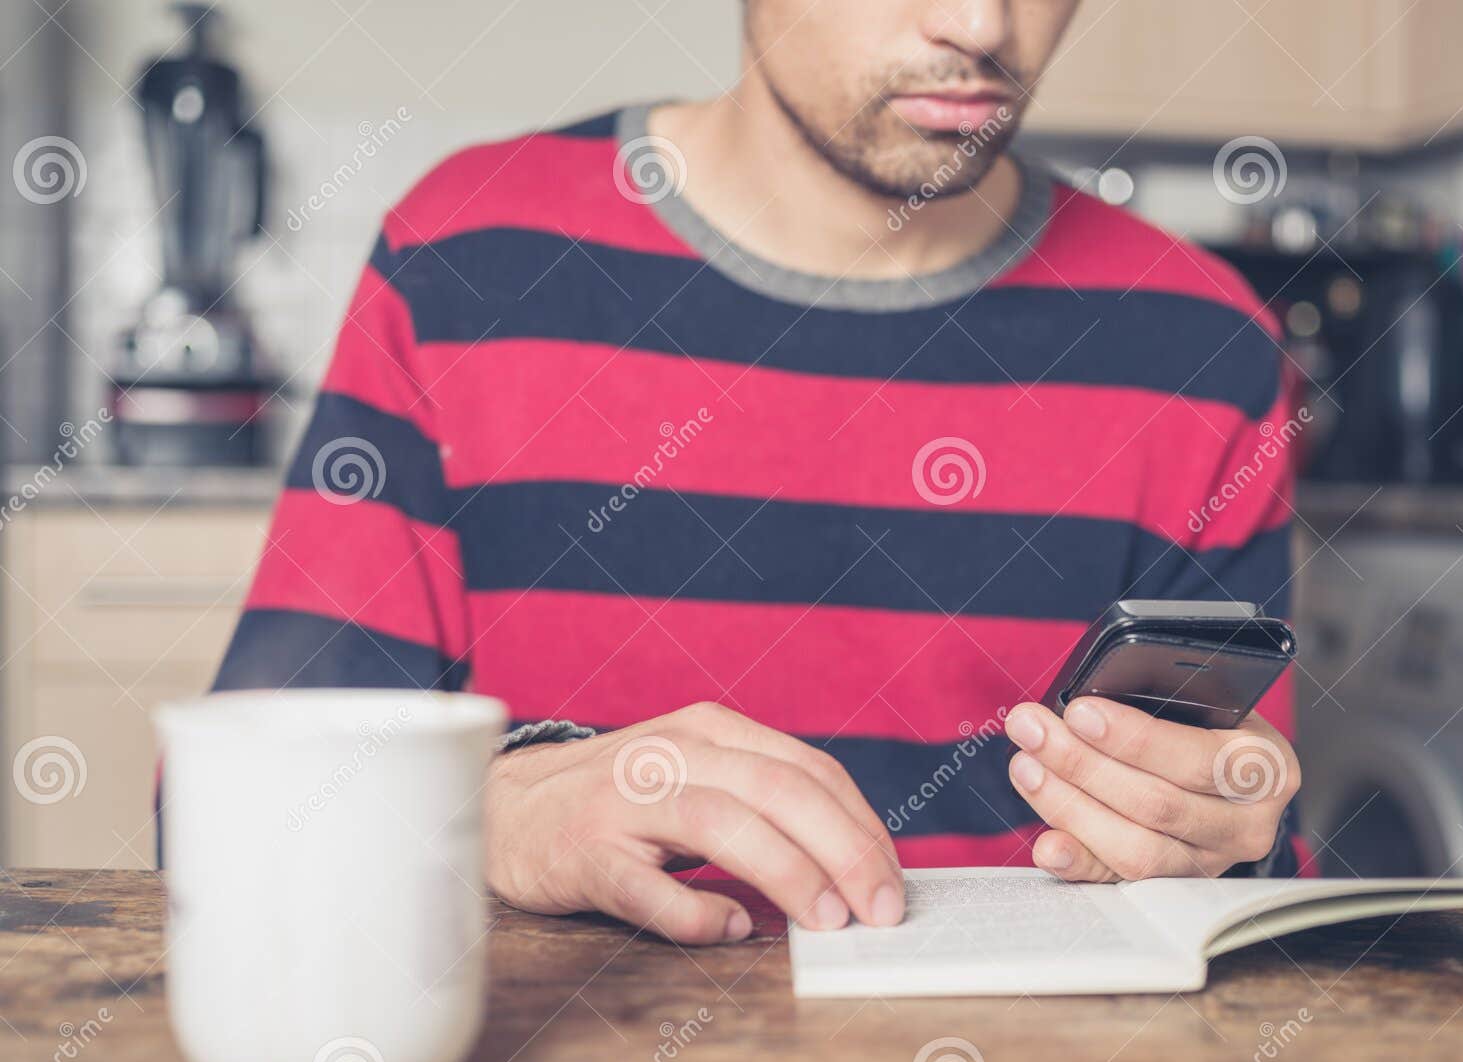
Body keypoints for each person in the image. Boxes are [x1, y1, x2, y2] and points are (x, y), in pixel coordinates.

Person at [213, 0, 1304, 944]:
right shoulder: (465, 263)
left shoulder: (1204, 351)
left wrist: (1220, 839)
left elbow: (1248, 862)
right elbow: (230, 809)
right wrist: (491, 817)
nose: (981, 27)